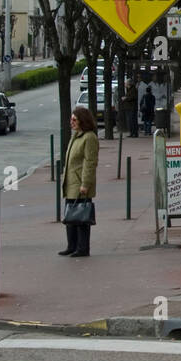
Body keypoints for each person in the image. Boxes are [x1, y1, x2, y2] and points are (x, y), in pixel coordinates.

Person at [59, 106, 99, 258]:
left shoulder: (89, 137)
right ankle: (72, 245)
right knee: (70, 215)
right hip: (71, 182)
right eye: (71, 119)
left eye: (74, 119)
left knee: (81, 216)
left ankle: (83, 248)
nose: (72, 122)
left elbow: (90, 162)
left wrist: (85, 183)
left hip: (80, 183)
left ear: (83, 120)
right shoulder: (75, 136)